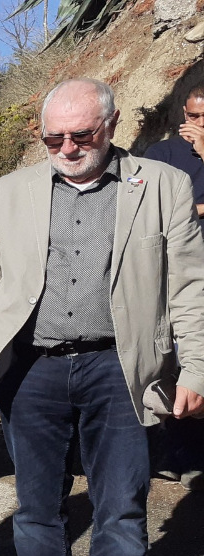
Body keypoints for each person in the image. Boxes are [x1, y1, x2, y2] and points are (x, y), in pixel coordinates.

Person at [0, 78, 204, 556]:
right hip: (31, 371)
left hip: (121, 368)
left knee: (121, 507)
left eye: (81, 135)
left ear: (112, 125)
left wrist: (197, 369)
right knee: (36, 508)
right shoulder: (10, 191)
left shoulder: (163, 185)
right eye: (54, 139)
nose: (68, 148)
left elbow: (190, 287)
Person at [140, 82, 204, 489]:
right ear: (184, 114)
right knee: (176, 364)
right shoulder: (161, 154)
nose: (199, 124)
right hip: (173, 273)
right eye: (195, 116)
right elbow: (151, 211)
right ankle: (178, 452)